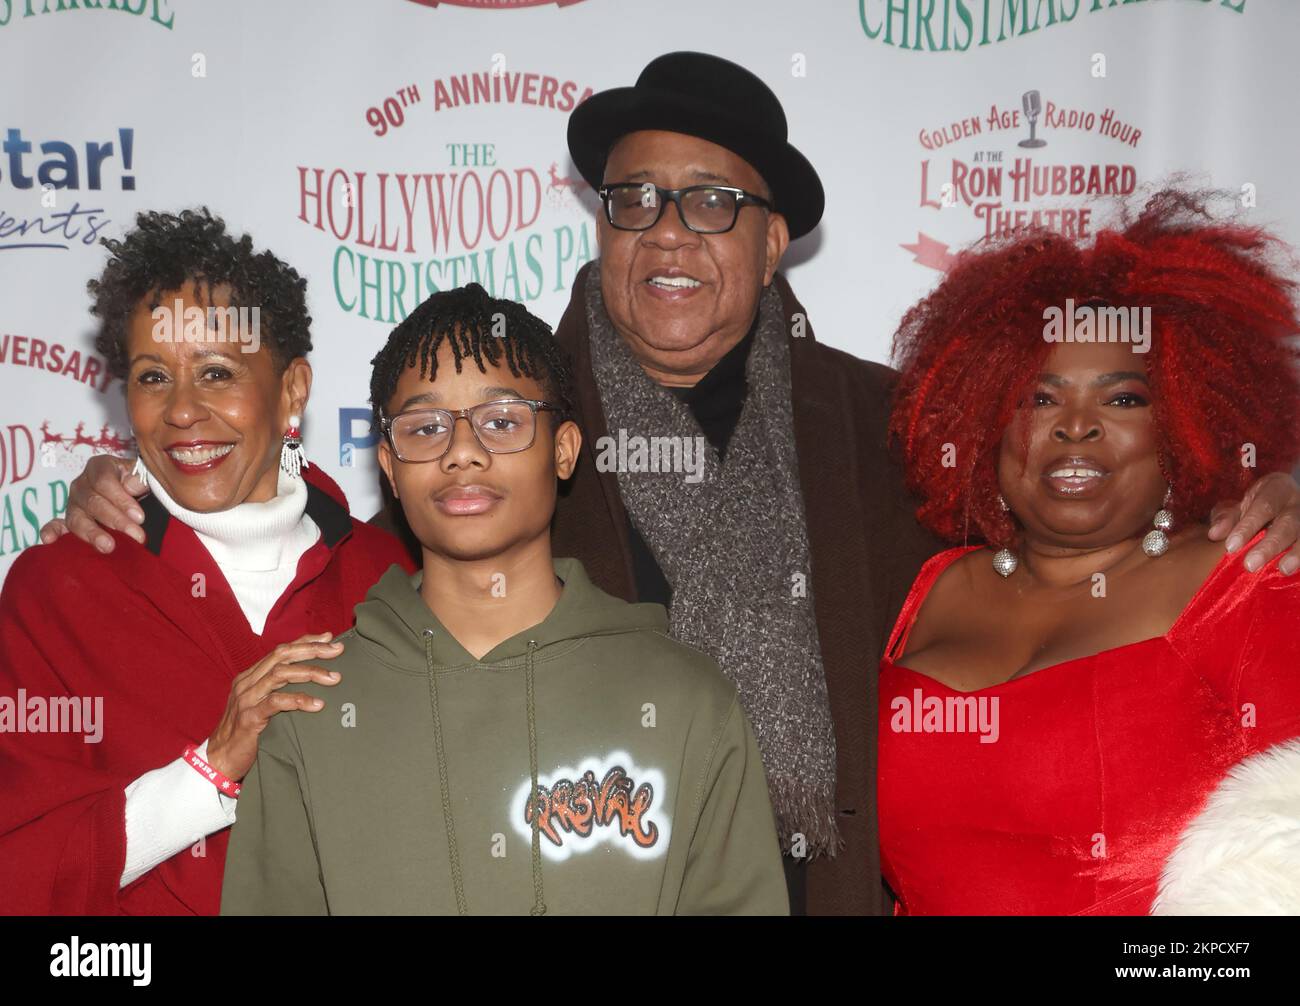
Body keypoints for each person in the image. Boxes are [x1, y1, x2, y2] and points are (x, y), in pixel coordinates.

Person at [38, 54, 1300, 916]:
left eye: (710, 201)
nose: (667, 231)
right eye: (634, 197)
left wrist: (1274, 478)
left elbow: (1082, 507)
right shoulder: (515, 415)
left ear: (769, 237)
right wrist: (163, 481)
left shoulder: (894, 417)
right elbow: (372, 565)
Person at [219, 284, 789, 915]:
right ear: (389, 464)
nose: (462, 452)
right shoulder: (310, 707)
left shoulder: (686, 699)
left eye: (502, 421)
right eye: (426, 426)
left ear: (564, 450)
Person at [878, 190, 1300, 914]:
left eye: (1123, 400)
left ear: (1187, 424)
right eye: (1039, 400)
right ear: (984, 419)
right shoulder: (932, 585)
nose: (1076, 428)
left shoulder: (1250, 579)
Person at [0, 208, 413, 914]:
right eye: (153, 377)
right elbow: (20, 872)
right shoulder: (57, 588)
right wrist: (210, 771)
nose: (183, 411)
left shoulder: (386, 573)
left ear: (291, 391)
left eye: (217, 373)